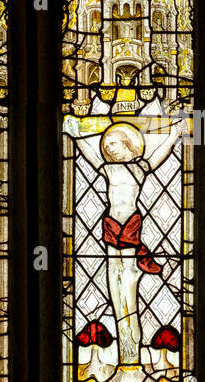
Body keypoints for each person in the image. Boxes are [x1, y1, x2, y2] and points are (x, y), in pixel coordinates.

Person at [64, 116, 187, 366]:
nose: (108, 148)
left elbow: (158, 157)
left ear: (130, 146)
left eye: (114, 144)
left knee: (128, 289)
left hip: (129, 232)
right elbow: (90, 155)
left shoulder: (137, 168)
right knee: (114, 289)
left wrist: (174, 135)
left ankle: (132, 353)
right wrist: (76, 135)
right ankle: (124, 350)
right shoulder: (109, 169)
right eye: (107, 145)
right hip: (112, 233)